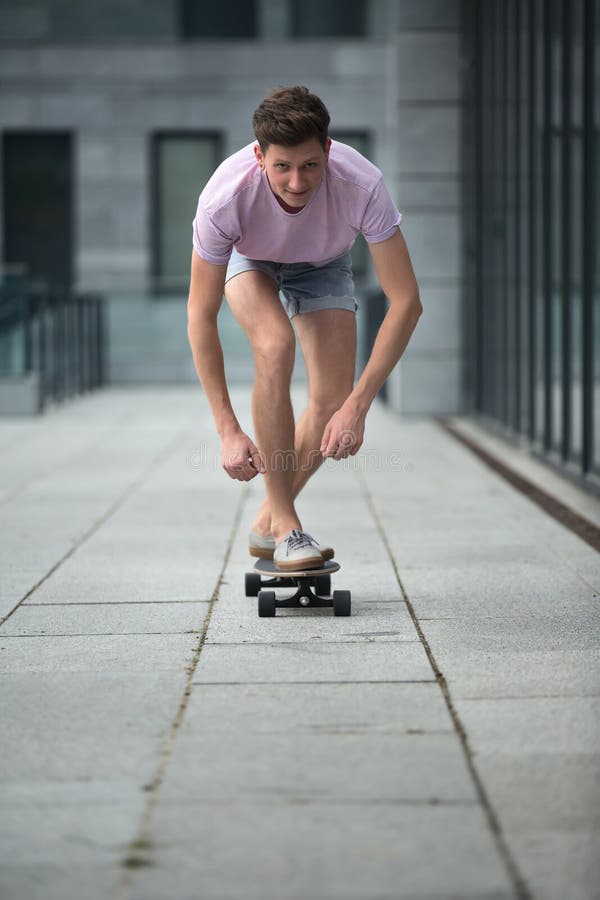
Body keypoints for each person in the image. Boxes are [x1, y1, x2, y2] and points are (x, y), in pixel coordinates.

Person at [187, 85, 421, 572]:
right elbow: (200, 314)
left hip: (323, 262)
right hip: (249, 257)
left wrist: (358, 406)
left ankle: (267, 520)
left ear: (329, 151)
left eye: (310, 165)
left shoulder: (362, 184)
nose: (297, 182)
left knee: (331, 399)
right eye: (282, 167)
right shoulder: (224, 199)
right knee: (274, 345)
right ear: (259, 156)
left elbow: (406, 302)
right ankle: (288, 527)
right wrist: (228, 430)